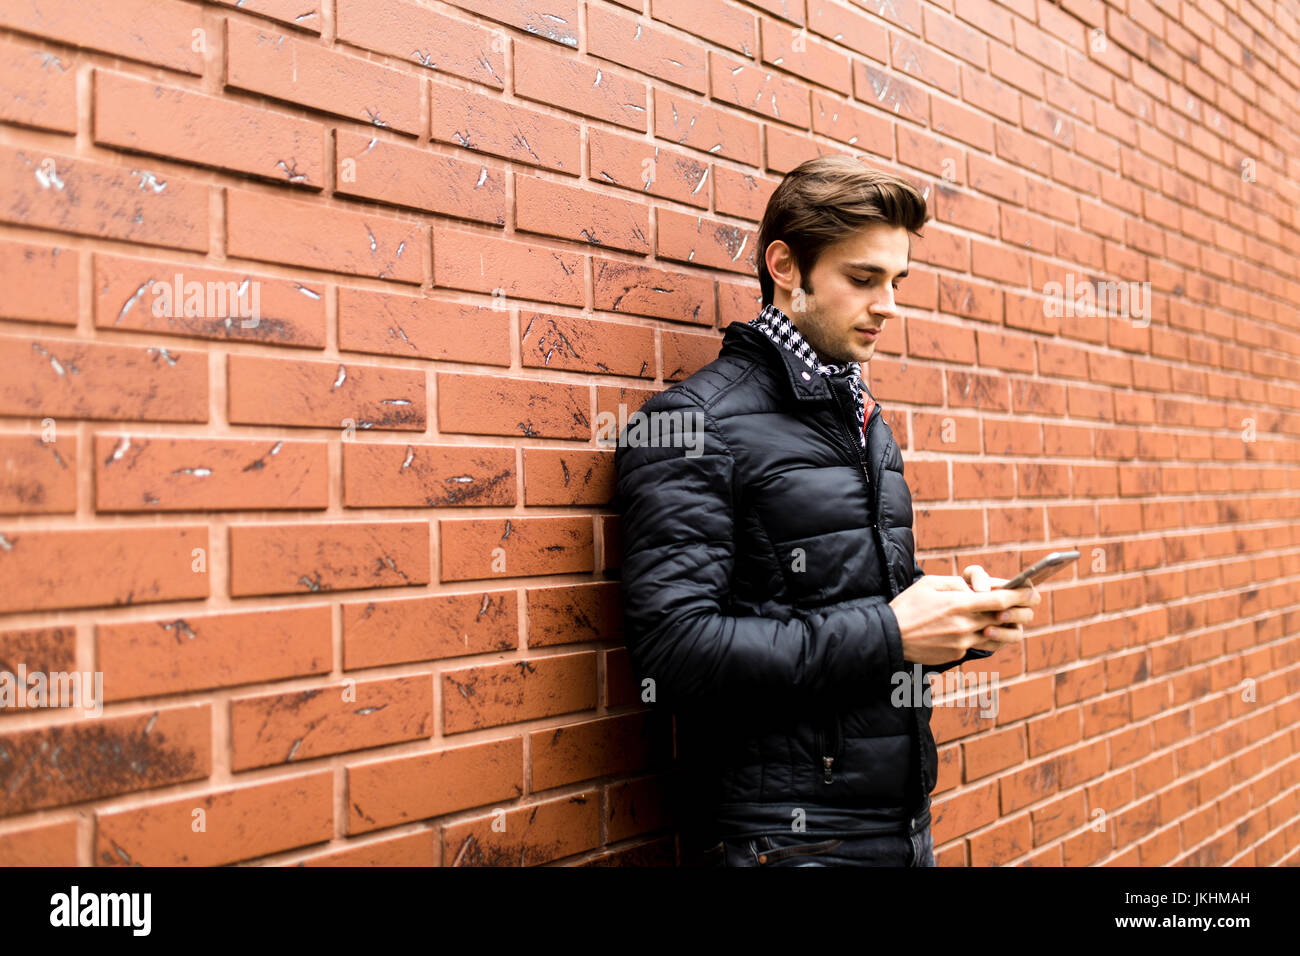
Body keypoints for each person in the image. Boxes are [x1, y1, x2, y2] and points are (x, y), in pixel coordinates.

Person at [612, 156, 1041, 867]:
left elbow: (858, 618)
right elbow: (675, 653)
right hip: (786, 842)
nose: (889, 304)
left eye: (897, 281)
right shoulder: (695, 425)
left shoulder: (861, 416)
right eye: (863, 279)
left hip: (900, 828)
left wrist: (959, 624)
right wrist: (892, 630)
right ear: (786, 267)